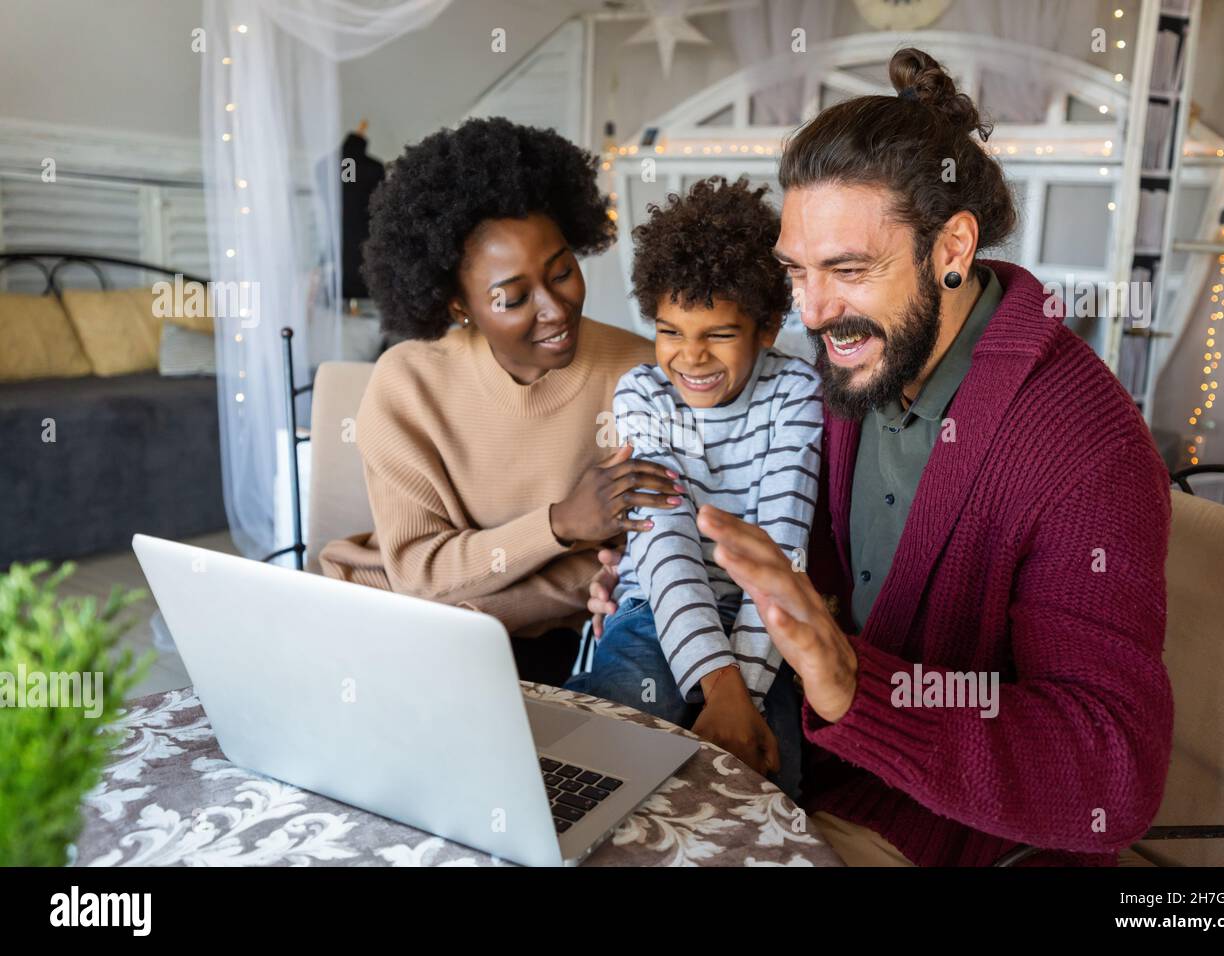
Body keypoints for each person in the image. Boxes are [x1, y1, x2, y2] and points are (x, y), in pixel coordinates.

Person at [588, 49, 1174, 866]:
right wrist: (655, 587)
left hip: (934, 831)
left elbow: (1113, 776)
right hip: (796, 767)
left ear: (952, 247)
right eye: (796, 272)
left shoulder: (1084, 446)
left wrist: (858, 690)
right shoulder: (849, 375)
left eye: (850, 270)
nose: (813, 311)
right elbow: (795, 571)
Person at [320, 117, 680, 687]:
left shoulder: (641, 373)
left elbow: (635, 561)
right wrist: (561, 524)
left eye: (562, 271)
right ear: (459, 307)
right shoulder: (407, 384)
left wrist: (480, 614)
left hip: (536, 638)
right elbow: (416, 571)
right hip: (388, 613)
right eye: (513, 297)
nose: (555, 308)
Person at [566, 178, 822, 797]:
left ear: (766, 327)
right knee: (592, 764)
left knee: (768, 787)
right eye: (670, 330)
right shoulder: (642, 393)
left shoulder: (795, 395)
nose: (690, 357)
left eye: (719, 334)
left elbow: (779, 555)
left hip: (759, 626)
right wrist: (720, 686)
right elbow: (663, 537)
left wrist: (744, 697)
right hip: (654, 607)